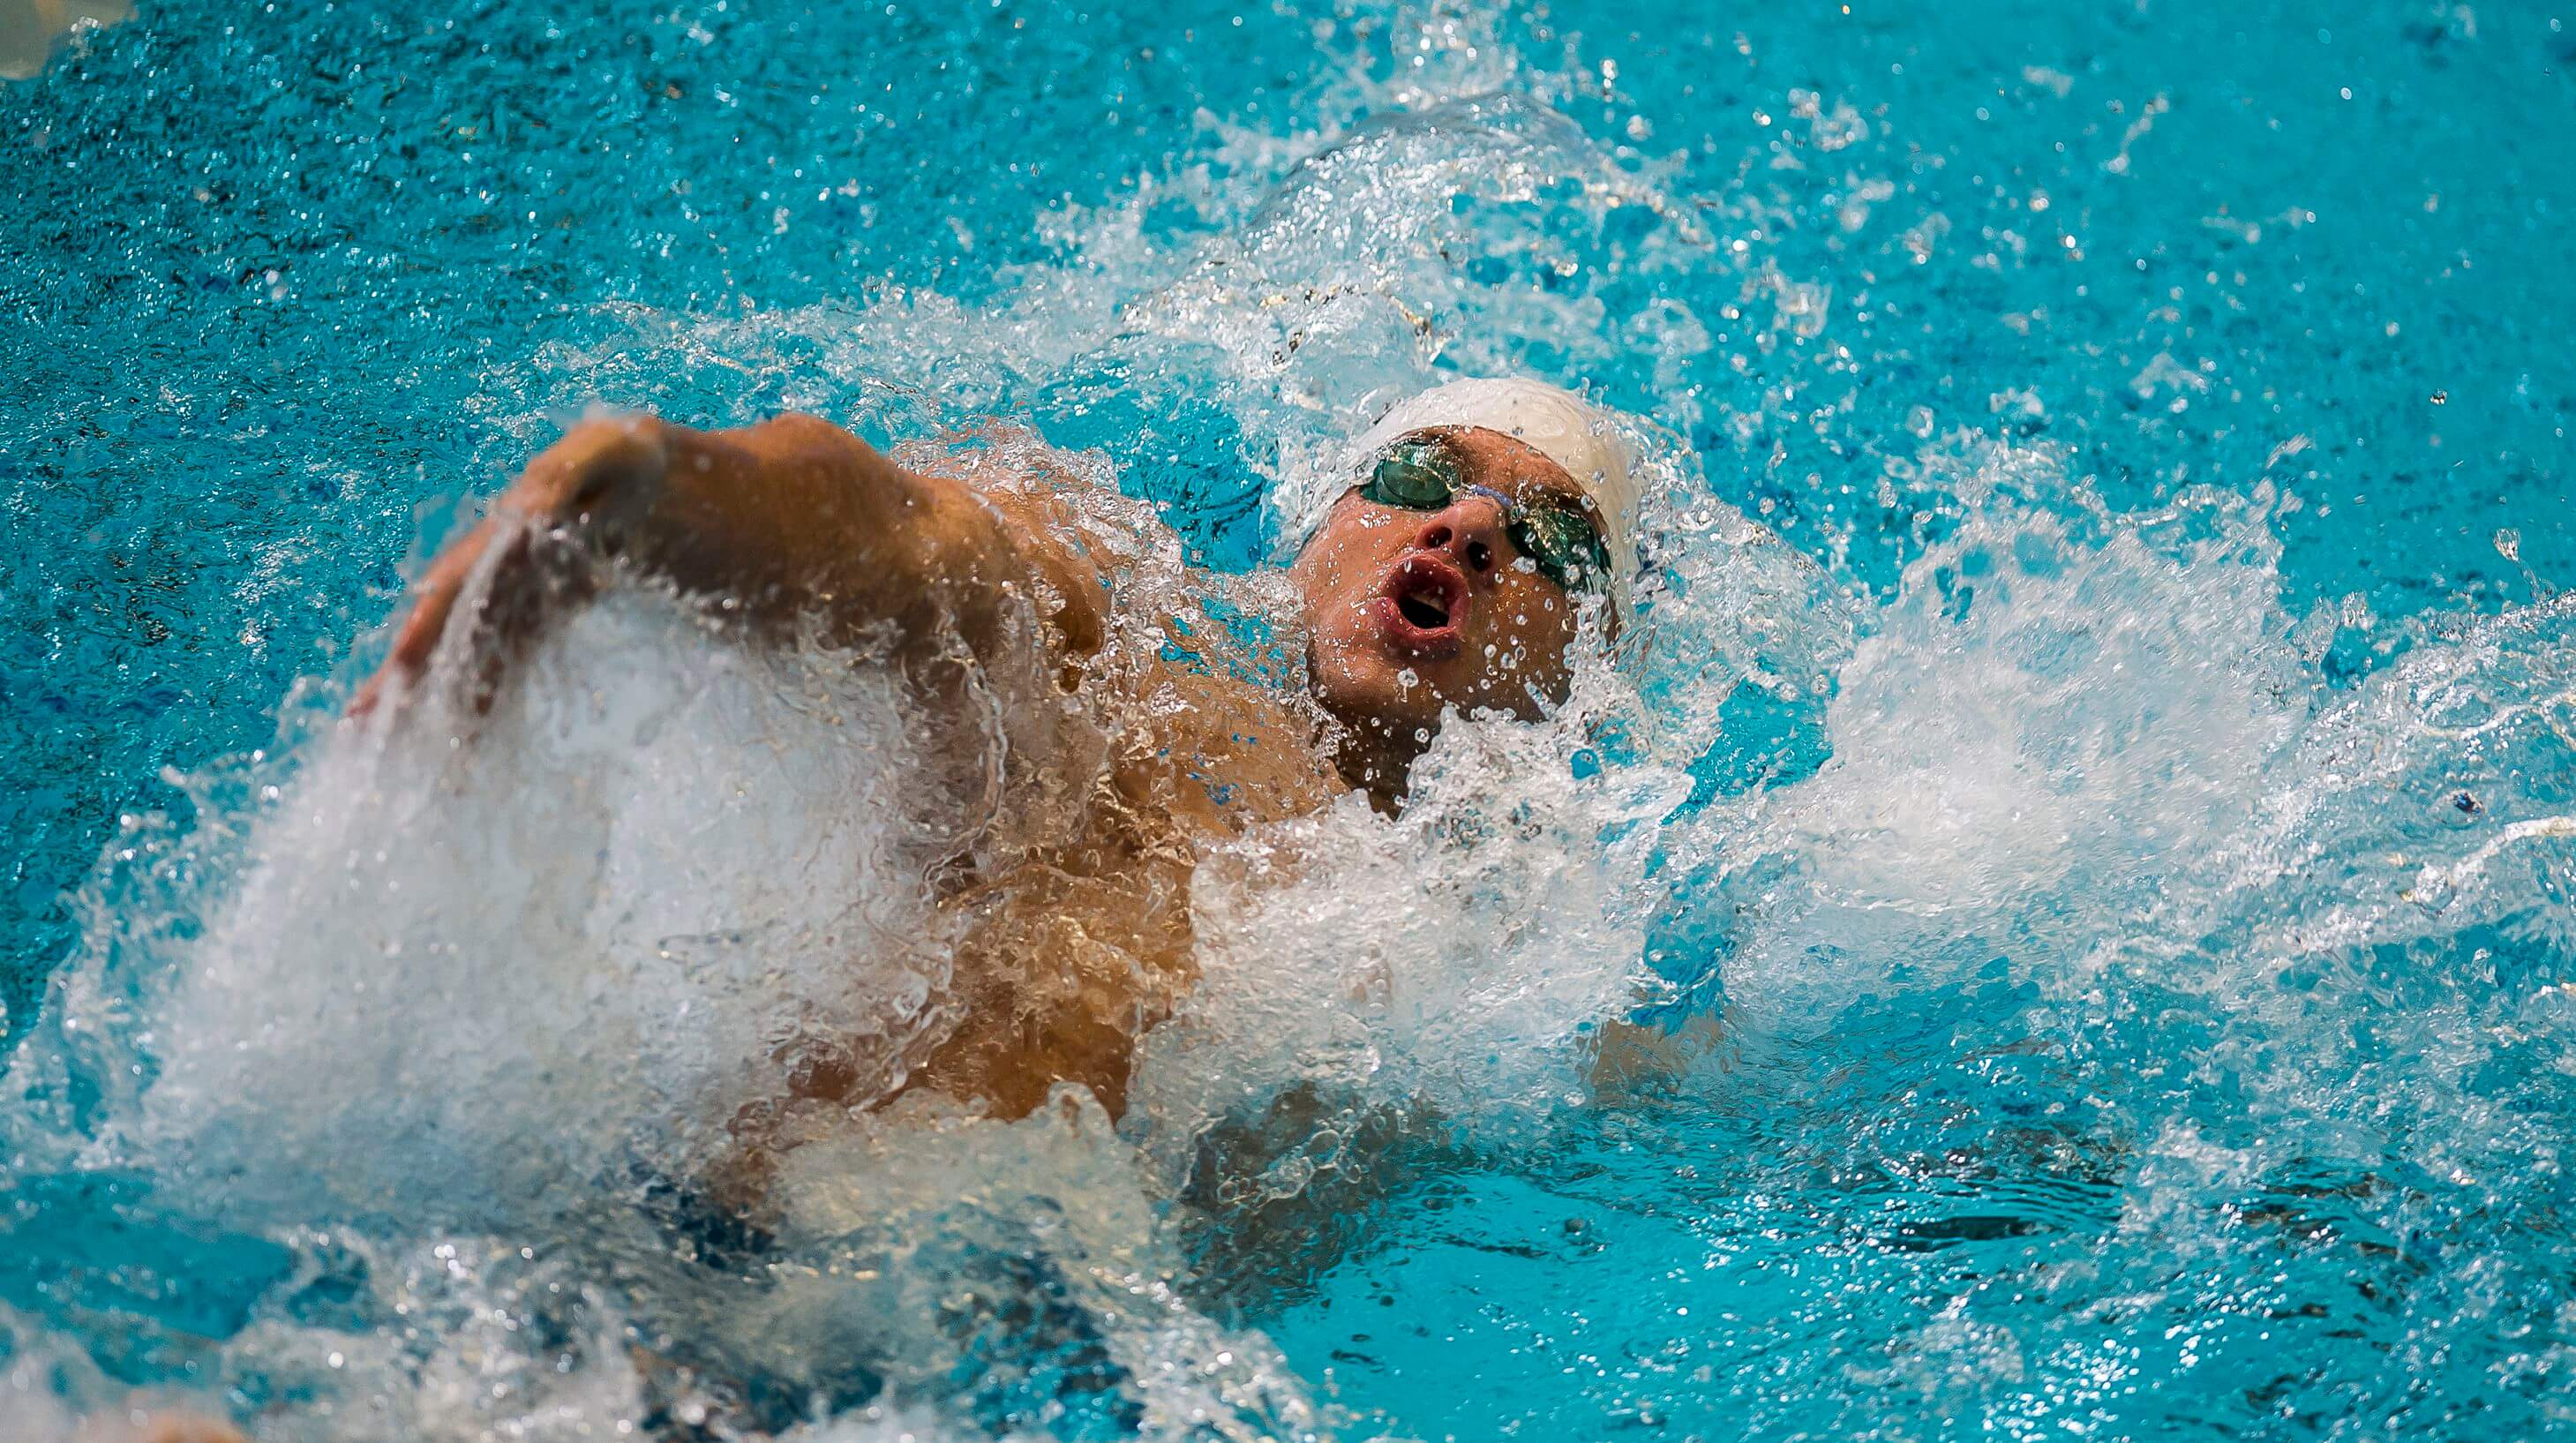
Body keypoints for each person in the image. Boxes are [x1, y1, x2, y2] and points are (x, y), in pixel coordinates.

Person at [354, 377, 1645, 1123]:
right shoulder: (1141, 664)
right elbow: (944, 560)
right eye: (1422, 475)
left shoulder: (1535, 961)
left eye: (1554, 544)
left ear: (1585, 669)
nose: (1471, 527)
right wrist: (648, 489)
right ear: (1318, 531)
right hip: (745, 1282)